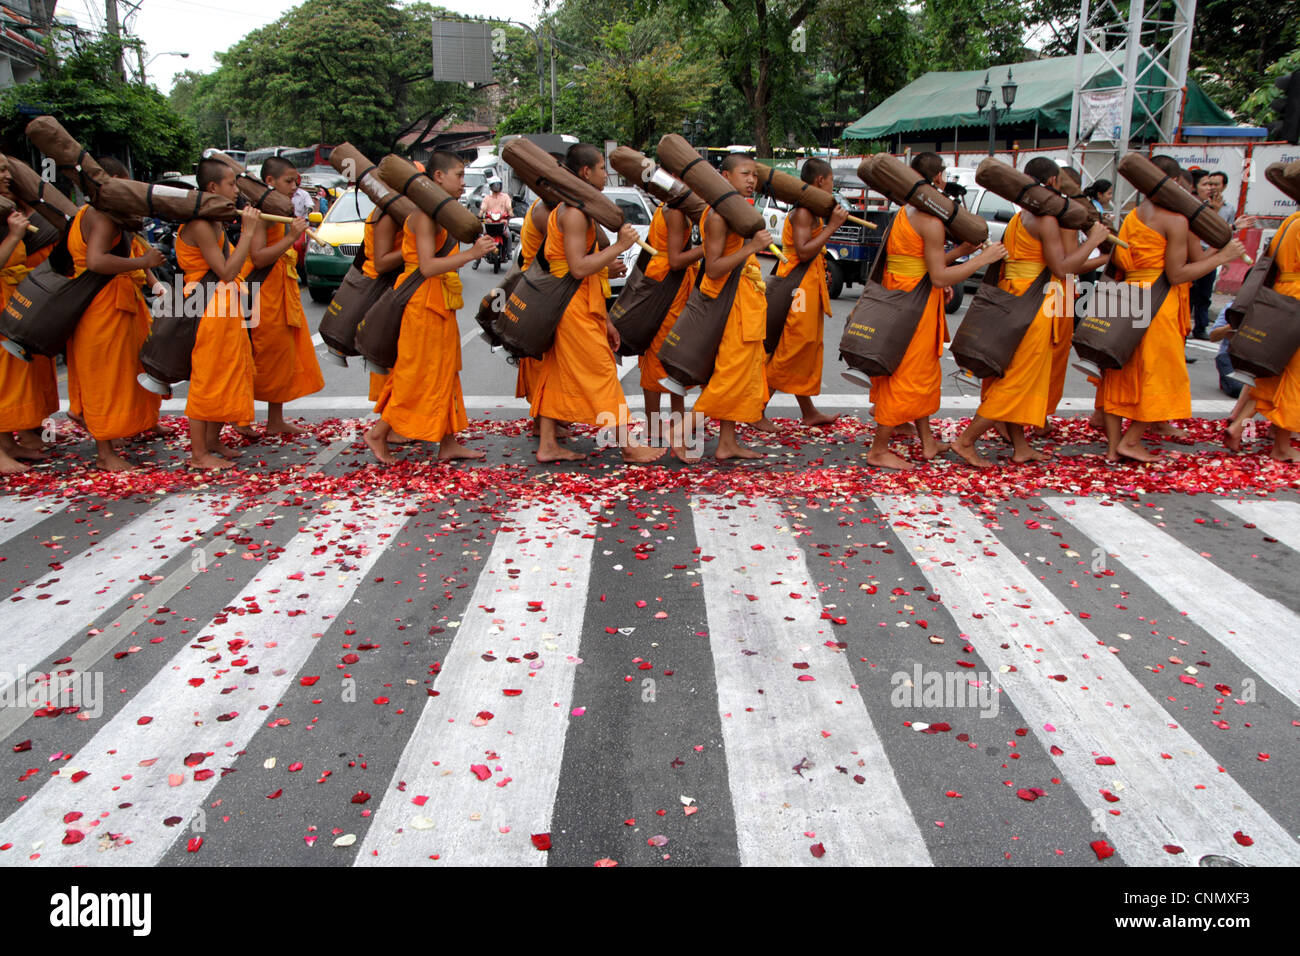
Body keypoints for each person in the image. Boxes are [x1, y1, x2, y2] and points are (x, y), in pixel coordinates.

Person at [951, 158, 1110, 467]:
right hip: (1034, 305)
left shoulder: (1021, 216)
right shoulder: (1046, 220)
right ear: (1051, 182)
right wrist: (1094, 242)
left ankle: (1020, 446)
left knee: (1011, 374)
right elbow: (1062, 268)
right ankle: (966, 441)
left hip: (1016, 299)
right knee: (1017, 380)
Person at [1098, 155, 1245, 463]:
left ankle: (1113, 448)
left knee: (1119, 373)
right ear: (1174, 184)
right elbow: (1177, 274)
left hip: (1127, 296)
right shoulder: (1176, 220)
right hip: (1157, 300)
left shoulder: (1133, 216)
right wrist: (1222, 256)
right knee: (1160, 374)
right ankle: (1132, 440)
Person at [866, 152, 1006, 471]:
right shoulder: (931, 220)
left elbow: (924, 263)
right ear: (940, 177)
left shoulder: (906, 211)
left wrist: (960, 252)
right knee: (906, 376)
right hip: (913, 306)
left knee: (921, 372)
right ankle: (878, 448)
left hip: (903, 298)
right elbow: (939, 277)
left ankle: (927, 442)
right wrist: (980, 261)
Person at [527, 143, 663, 464]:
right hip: (570, 303)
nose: (606, 174)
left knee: (558, 371)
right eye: (602, 168)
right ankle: (628, 445)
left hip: (575, 300)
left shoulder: (578, 209)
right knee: (602, 370)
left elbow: (583, 267)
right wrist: (621, 247)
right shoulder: (573, 213)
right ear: (586, 172)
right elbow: (578, 268)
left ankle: (547, 443)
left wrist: (607, 320)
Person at [365, 150, 496, 463]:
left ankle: (447, 441)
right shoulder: (424, 215)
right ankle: (378, 433)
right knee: (416, 374)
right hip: (422, 302)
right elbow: (426, 267)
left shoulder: (439, 213)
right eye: (459, 175)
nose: (464, 182)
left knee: (445, 372)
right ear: (438, 177)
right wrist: (472, 254)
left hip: (438, 302)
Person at [63, 157, 164, 471]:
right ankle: (104, 452)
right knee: (103, 378)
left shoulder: (93, 213)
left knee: (125, 371)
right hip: (100, 306)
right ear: (115, 181)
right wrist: (142, 263)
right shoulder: (101, 217)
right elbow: (96, 261)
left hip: (113, 304)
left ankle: (128, 427)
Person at [691, 154, 775, 461]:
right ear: (724, 176)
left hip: (745, 301)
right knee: (729, 375)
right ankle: (681, 430)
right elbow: (713, 268)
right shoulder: (717, 216)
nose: (752, 180)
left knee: (740, 375)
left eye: (754, 174)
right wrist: (753, 247)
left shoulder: (737, 212)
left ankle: (727, 442)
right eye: (744, 173)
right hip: (730, 304)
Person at [180, 158, 261, 470]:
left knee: (226, 374)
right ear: (212, 188)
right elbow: (227, 271)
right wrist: (248, 232)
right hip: (208, 305)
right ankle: (198, 454)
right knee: (207, 378)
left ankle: (213, 441)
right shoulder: (200, 225)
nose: (236, 190)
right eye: (231, 184)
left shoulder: (214, 222)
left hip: (225, 307)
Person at [240, 156, 324, 436]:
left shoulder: (279, 210)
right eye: (288, 181)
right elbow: (259, 257)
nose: (294, 186)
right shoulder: (260, 214)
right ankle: (241, 418)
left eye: (295, 181)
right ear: (269, 182)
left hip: (281, 289)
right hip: (262, 294)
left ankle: (275, 419)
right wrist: (291, 237)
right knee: (259, 354)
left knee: (280, 356)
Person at [763, 157, 848, 427]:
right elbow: (802, 251)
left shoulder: (812, 210)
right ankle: (757, 406)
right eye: (832, 181)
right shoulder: (803, 213)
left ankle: (808, 411)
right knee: (793, 345)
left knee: (805, 345)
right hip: (797, 286)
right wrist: (833, 226)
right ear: (820, 180)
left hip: (808, 283)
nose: (832, 187)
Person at [637, 183, 705, 461]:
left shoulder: (676, 208)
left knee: (673, 359)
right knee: (662, 358)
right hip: (668, 286)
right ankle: (658, 428)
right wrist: (707, 248)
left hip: (669, 285)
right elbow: (676, 260)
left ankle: (673, 426)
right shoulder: (675, 212)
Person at [0, 155, 59, 472]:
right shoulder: (9, 223)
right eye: (0, 170)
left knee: (15, 375)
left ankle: (9, 443)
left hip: (13, 301)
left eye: (7, 168)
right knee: (2, 378)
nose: (6, 174)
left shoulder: (8, 209)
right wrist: (13, 237)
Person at [1244, 205, 1300, 461]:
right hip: (1297, 296)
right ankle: (1281, 446)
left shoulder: (1290, 221)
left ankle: (1238, 427)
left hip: (1282, 294)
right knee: (1295, 377)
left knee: (1276, 370)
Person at [360, 201, 410, 443]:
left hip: (398, 290)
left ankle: (395, 424)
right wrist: (418, 245)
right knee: (394, 362)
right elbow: (381, 263)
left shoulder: (402, 211)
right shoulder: (389, 214)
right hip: (385, 290)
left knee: (401, 360)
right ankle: (388, 429)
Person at [477, 178, 513, 267]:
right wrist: (481, 213)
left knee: (508, 235)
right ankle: (477, 259)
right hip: (490, 223)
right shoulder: (487, 198)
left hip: (502, 223)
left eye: (498, 185)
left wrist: (511, 212)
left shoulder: (505, 197)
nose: (496, 187)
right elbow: (483, 207)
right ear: (491, 187)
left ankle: (509, 253)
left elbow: (509, 206)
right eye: (494, 185)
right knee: (481, 237)